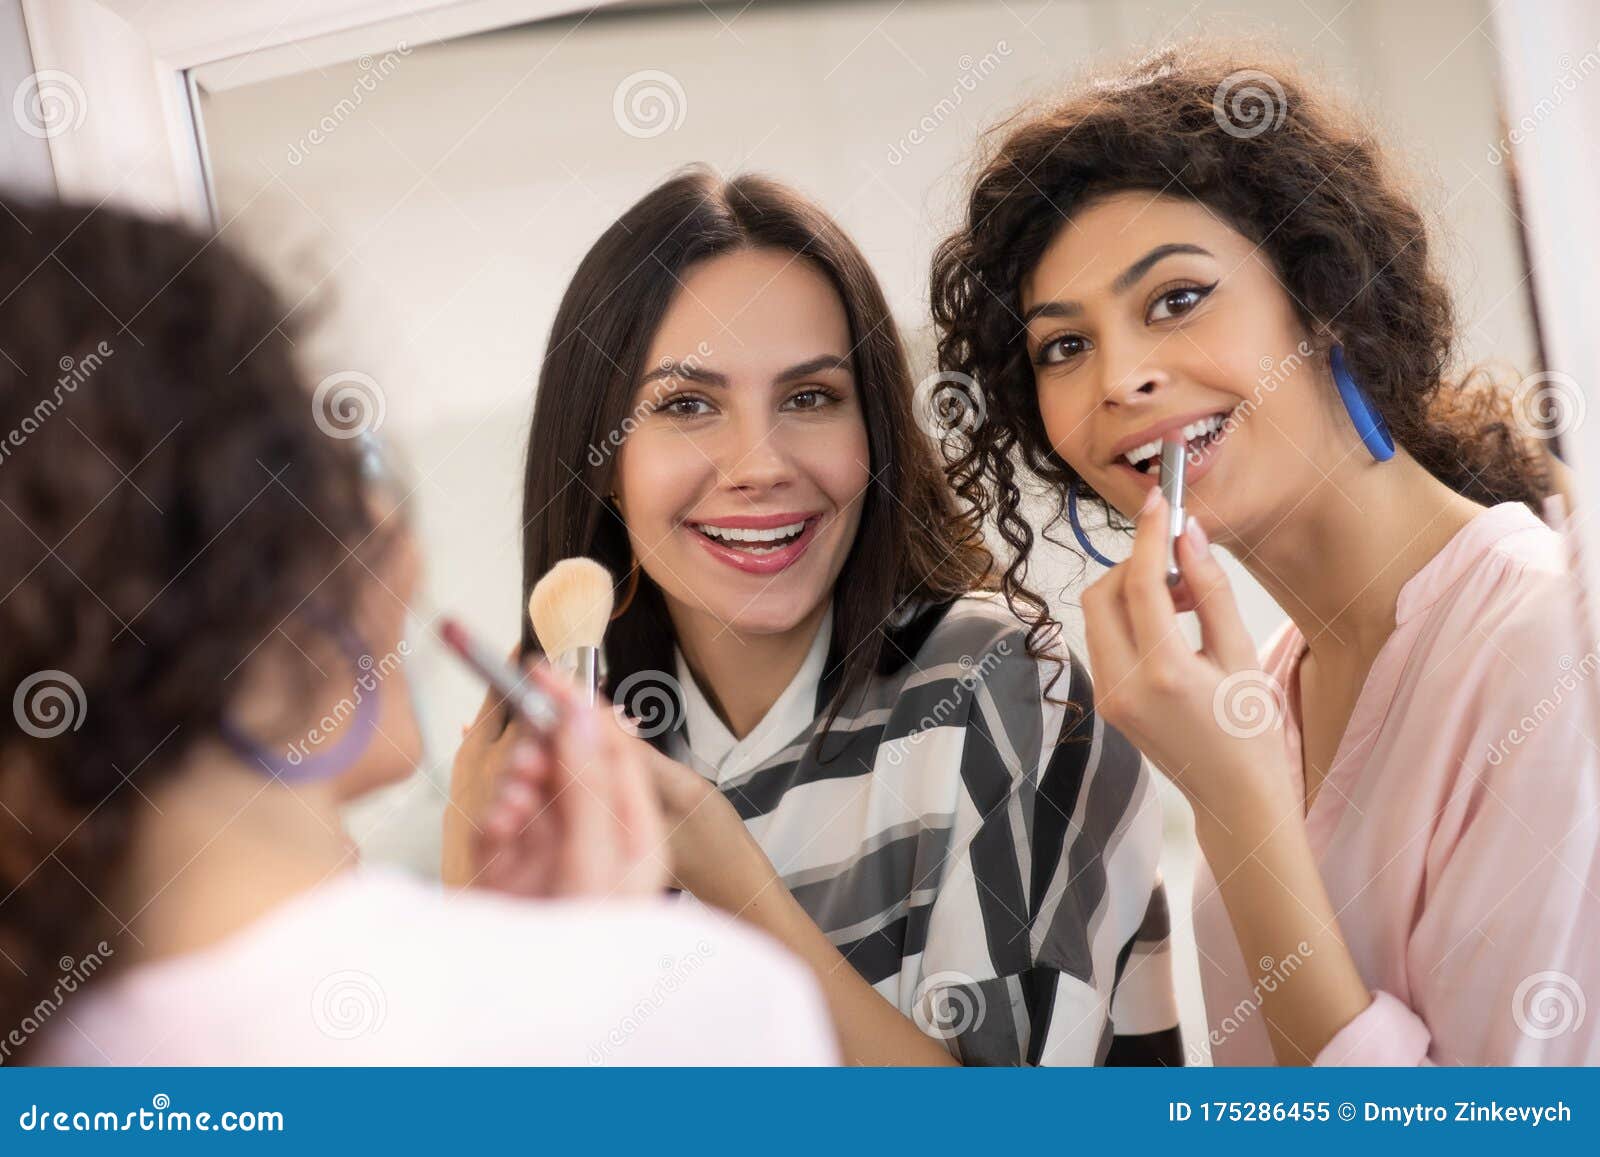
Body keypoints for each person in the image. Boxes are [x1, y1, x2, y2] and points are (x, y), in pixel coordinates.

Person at [0, 195, 834, 1067]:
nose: (387, 522)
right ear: (273, 560)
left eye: (812, 395)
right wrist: (599, 989)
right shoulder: (709, 1012)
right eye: (338, 454)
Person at [930, 42, 1600, 1064]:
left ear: (1323, 298)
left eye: (1175, 298)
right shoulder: (1272, 681)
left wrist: (1234, 804)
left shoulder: (1553, 645)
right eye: (1063, 346)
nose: (1122, 378)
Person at [448, 169, 1183, 1065]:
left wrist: (731, 884)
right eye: (687, 405)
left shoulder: (999, 684)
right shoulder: (579, 774)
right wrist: (474, 901)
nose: (758, 464)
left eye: (809, 398)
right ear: (602, 458)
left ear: (871, 427)